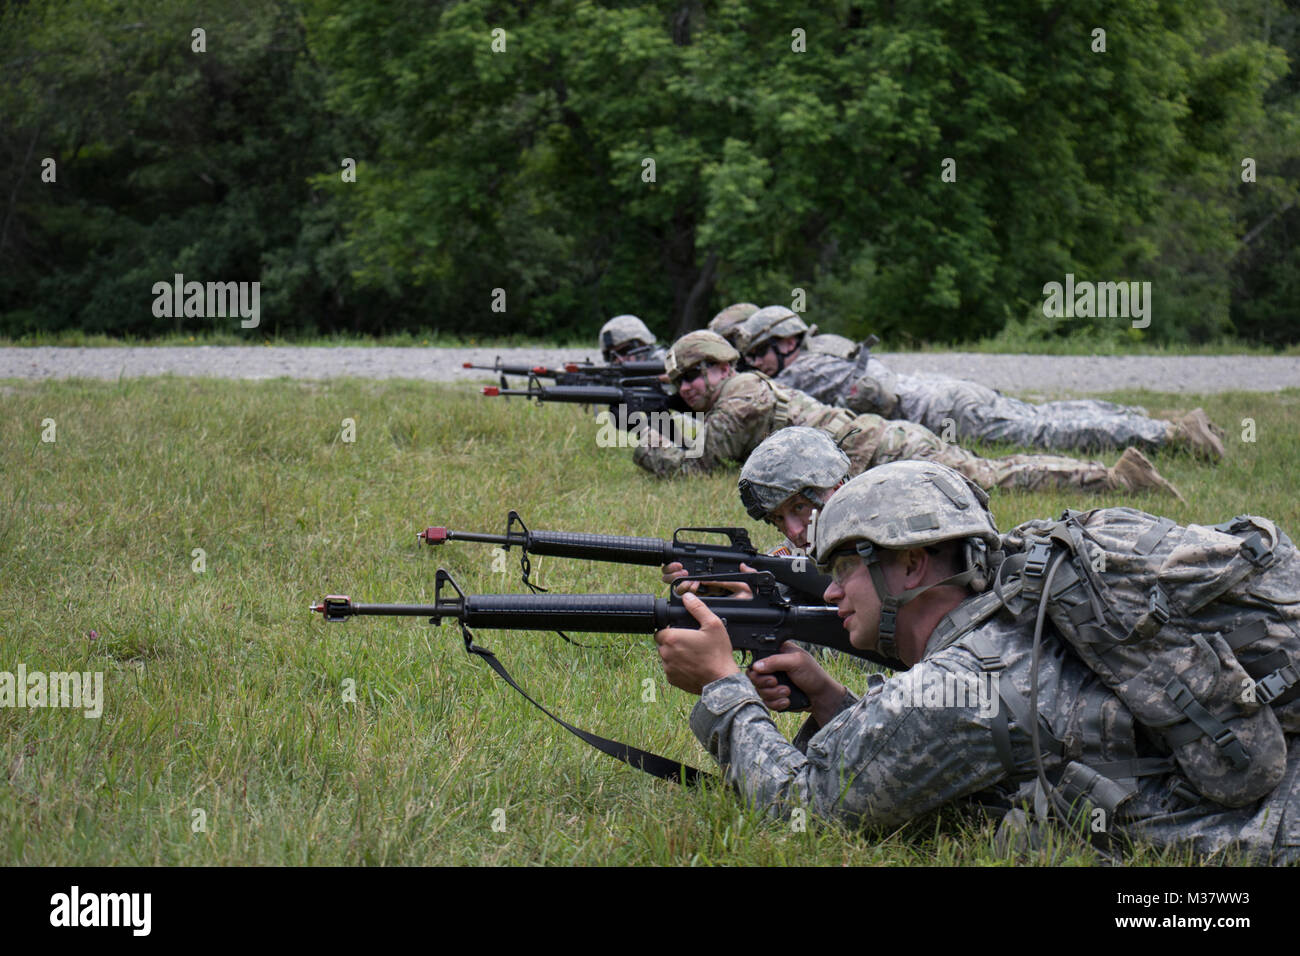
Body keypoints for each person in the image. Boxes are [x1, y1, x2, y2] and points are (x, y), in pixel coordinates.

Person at [652, 461, 1300, 862]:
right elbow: (930, 752)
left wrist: (724, 689)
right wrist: (831, 704)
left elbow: (808, 809)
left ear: (909, 564)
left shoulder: (960, 684)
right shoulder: (1024, 620)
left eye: (847, 565)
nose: (829, 591)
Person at [633, 331, 1185, 501]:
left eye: (690, 378)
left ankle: (1115, 478)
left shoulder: (742, 396)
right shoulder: (744, 391)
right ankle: (1114, 474)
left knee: (992, 478)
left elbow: (700, 464)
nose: (685, 390)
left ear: (717, 367)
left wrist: (644, 442)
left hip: (885, 450)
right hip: (879, 448)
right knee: (994, 471)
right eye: (678, 384)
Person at [734, 306, 1226, 460]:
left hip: (939, 411)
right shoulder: (828, 346)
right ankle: (1149, 421)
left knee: (1042, 433)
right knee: (1042, 414)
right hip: (941, 389)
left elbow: (876, 396)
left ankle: (1170, 437)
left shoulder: (805, 369)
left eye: (759, 354)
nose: (757, 365)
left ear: (784, 342)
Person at [599, 314, 666, 364]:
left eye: (624, 351)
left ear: (642, 344)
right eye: (611, 356)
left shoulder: (664, 363)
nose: (620, 359)